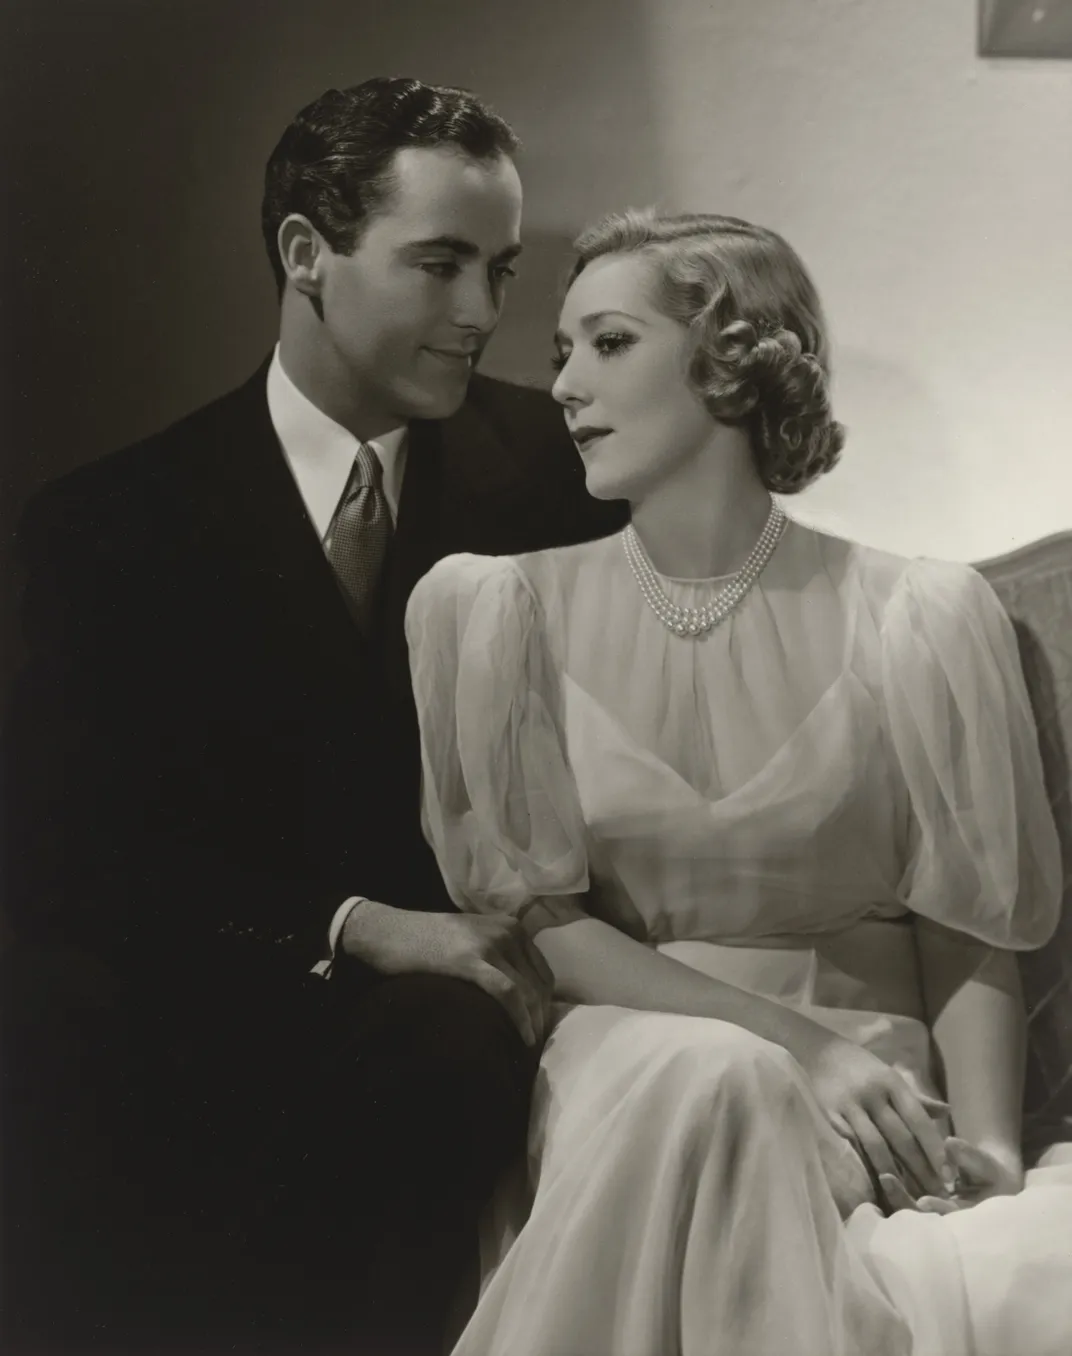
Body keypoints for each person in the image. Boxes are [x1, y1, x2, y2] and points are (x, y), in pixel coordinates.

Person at [0, 78, 625, 1355]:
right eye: (438, 265)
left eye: (498, 272)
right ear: (307, 255)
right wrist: (351, 926)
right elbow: (70, 855)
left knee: (444, 1052)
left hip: (472, 1021)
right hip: (197, 1001)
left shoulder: (564, 473)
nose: (480, 316)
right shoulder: (108, 524)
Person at [405, 209, 1072, 1354]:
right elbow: (536, 920)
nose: (563, 385)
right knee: (717, 1077)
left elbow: (971, 928)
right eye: (561, 350)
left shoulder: (920, 617)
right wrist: (790, 1045)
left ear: (731, 358)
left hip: (876, 1087)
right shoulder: (494, 611)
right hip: (633, 1063)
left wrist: (995, 1154)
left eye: (607, 344)